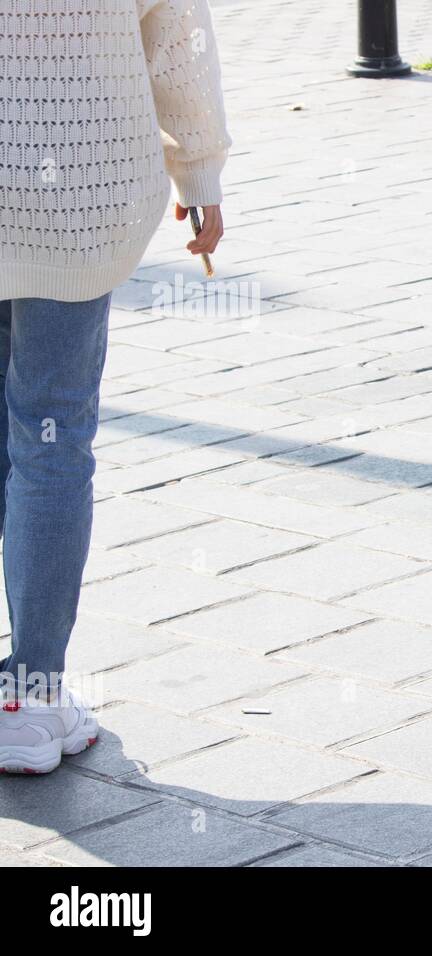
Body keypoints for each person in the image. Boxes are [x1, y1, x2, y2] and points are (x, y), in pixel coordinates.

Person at [0, 0, 230, 772]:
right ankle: (31, 700)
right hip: (75, 194)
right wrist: (198, 170)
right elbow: (178, 41)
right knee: (51, 433)